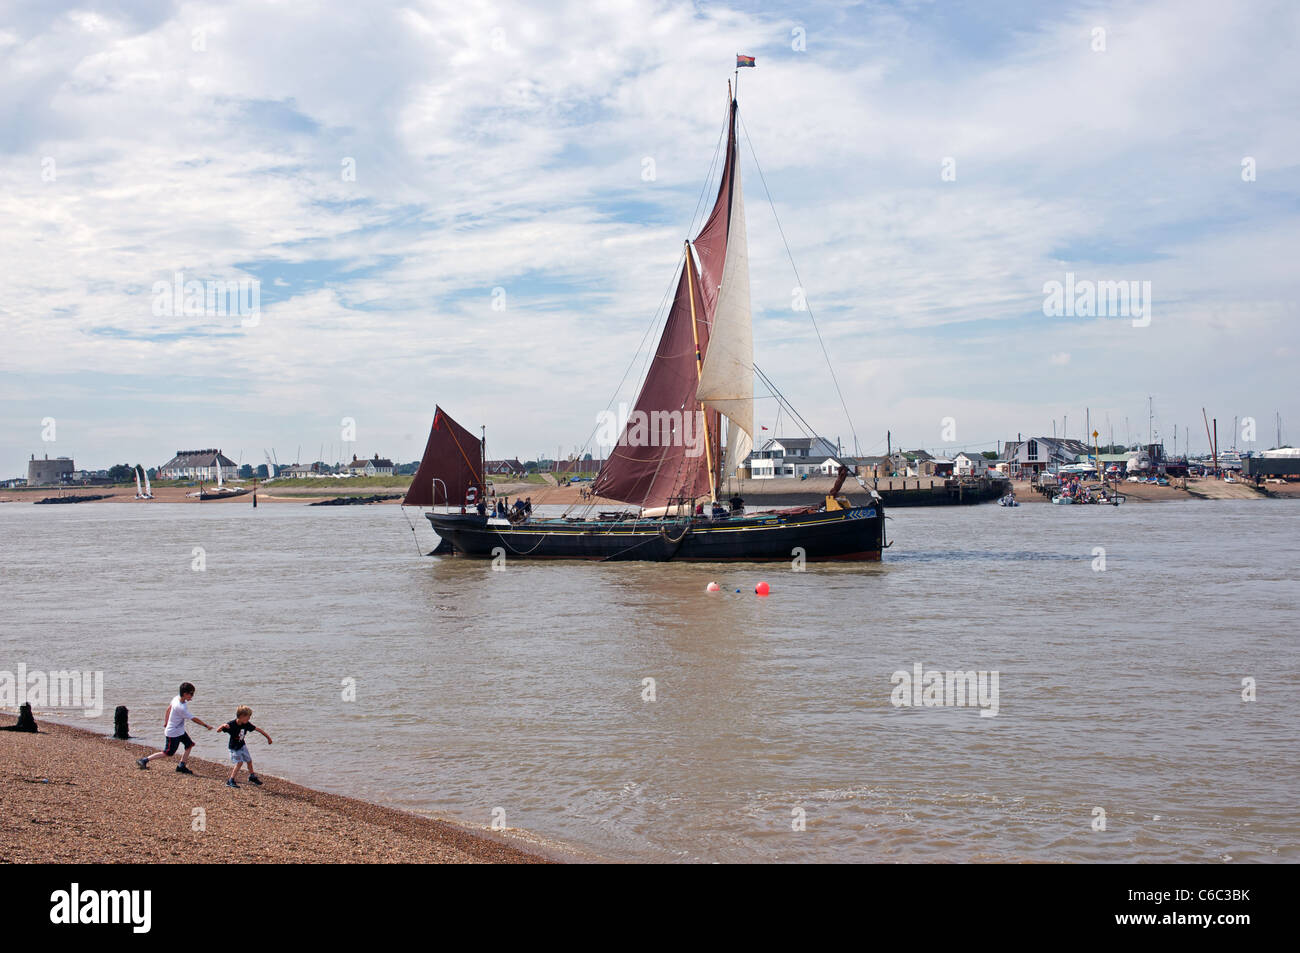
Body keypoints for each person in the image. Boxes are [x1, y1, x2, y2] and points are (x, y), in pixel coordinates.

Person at [136, 682, 213, 773]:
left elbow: (168, 709)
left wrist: (166, 722)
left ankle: (181, 766)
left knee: (189, 745)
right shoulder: (180, 707)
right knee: (168, 753)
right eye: (191, 694)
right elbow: (193, 719)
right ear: (185, 694)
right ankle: (144, 760)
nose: (192, 696)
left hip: (180, 731)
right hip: (173, 733)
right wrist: (206, 725)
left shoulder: (176, 698)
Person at [216, 705, 273, 788]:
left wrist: (268, 738)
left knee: (249, 761)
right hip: (234, 748)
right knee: (240, 762)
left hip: (242, 745)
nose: (249, 719)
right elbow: (218, 731)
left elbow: (258, 729)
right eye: (248, 717)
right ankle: (230, 780)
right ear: (242, 716)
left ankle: (252, 776)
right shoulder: (231, 725)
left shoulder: (246, 724)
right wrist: (223, 725)